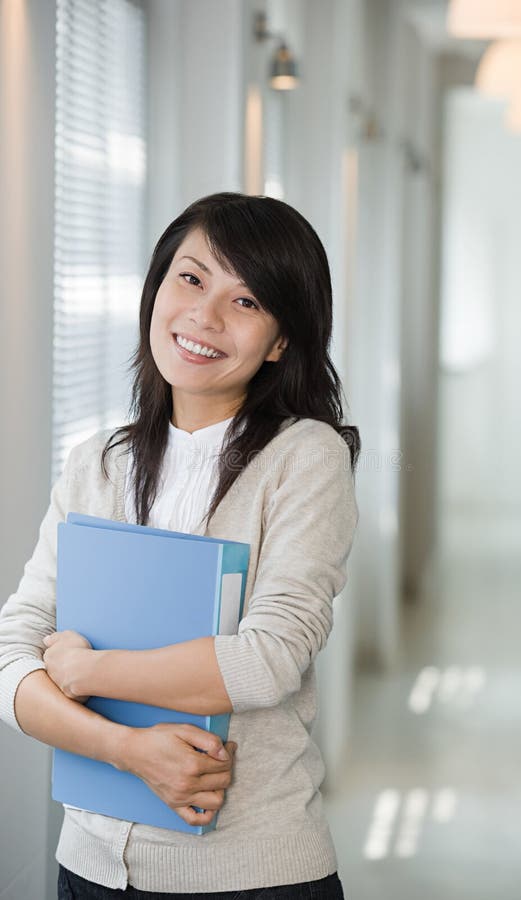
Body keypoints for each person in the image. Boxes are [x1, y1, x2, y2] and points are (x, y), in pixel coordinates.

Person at [0, 191, 361, 898]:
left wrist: (87, 670)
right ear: (156, 288)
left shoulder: (304, 457)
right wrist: (128, 751)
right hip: (89, 867)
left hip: (251, 875)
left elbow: (267, 661)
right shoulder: (96, 463)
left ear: (282, 341)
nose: (205, 317)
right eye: (191, 279)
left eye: (248, 300)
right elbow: (14, 654)